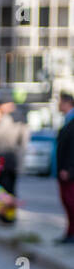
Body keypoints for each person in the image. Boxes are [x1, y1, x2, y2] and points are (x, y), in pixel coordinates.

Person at [56, 91, 74, 244]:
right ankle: (69, 232)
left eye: (60, 102)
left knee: (71, 202)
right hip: (65, 170)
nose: (58, 105)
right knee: (67, 202)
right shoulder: (67, 120)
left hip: (69, 172)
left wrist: (68, 169)